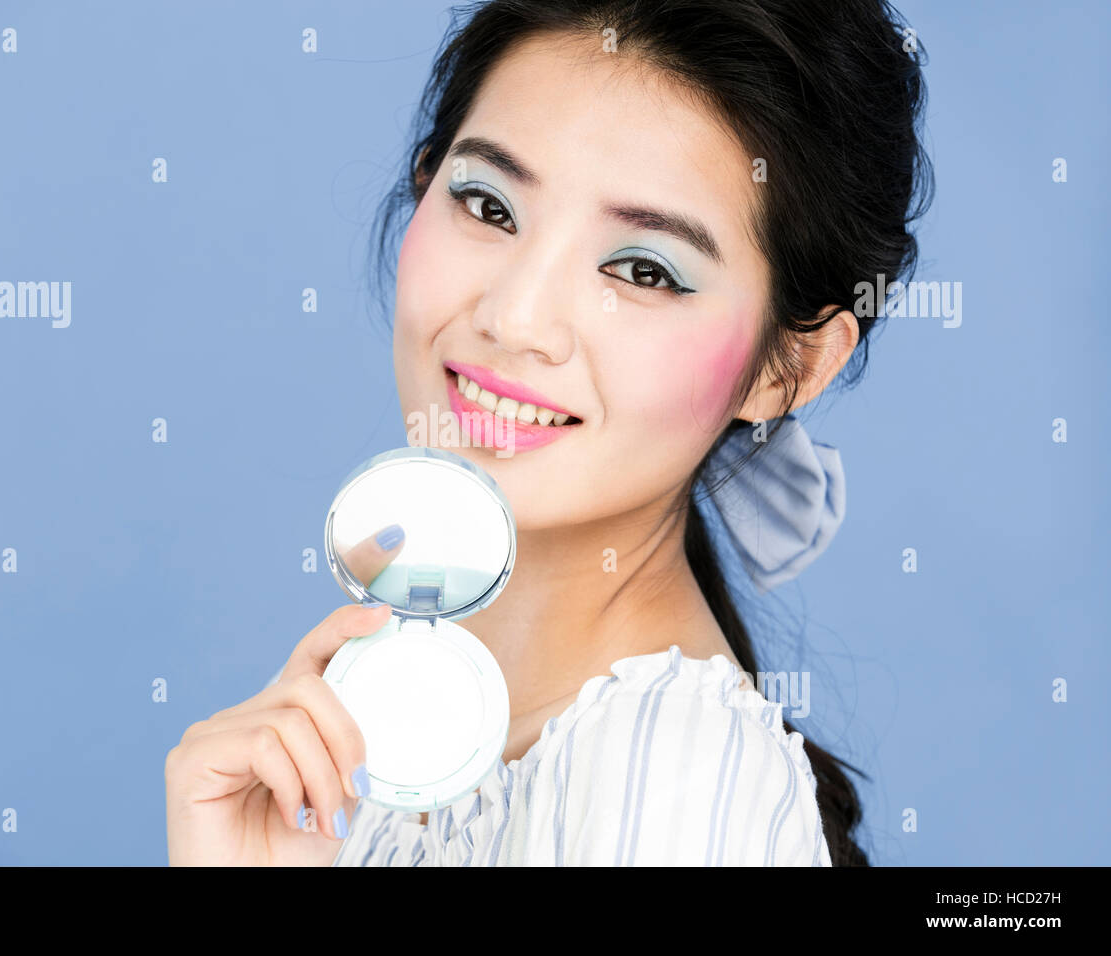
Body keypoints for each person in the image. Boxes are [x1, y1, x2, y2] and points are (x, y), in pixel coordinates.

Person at [164, 0, 931, 866]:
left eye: (643, 269)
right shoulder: (396, 750)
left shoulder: (671, 778)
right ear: (423, 185)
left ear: (788, 365)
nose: (517, 317)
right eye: (489, 206)